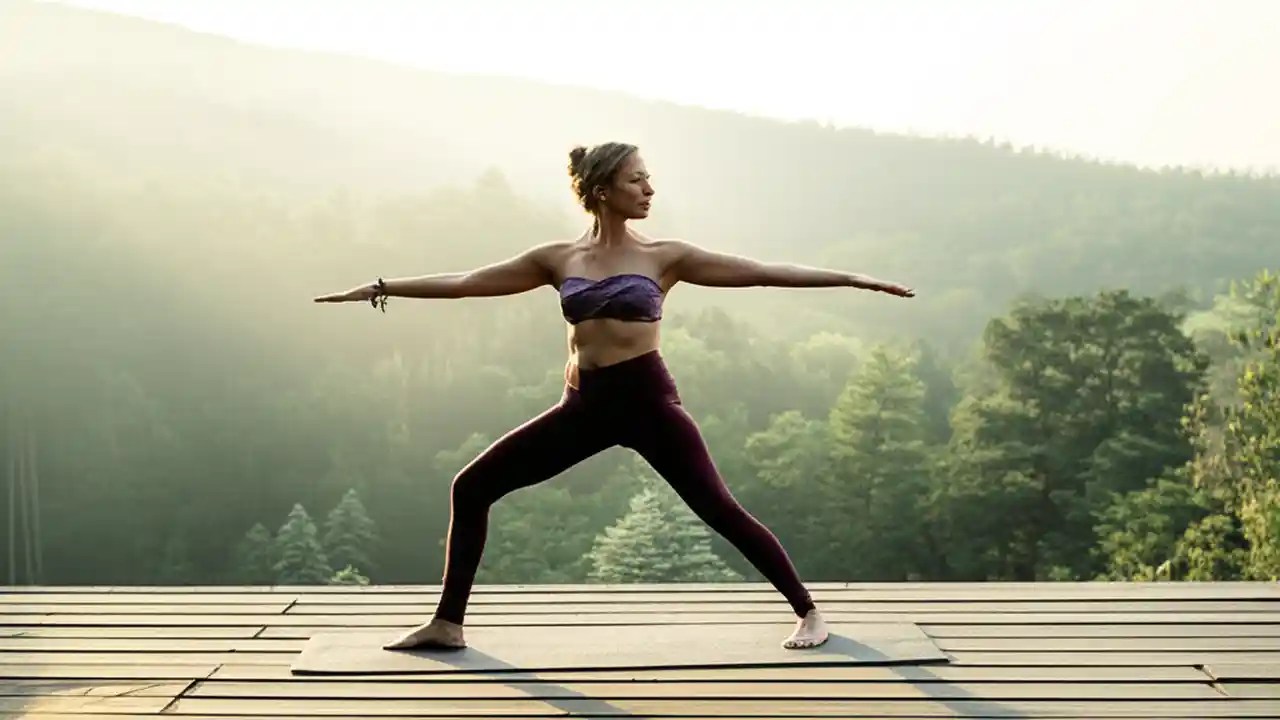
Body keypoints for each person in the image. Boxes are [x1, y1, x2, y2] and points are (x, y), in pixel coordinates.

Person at [314, 142, 915, 651]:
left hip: (649, 404)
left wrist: (853, 278)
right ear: (603, 189)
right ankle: (447, 625)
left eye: (650, 179)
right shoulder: (557, 258)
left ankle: (809, 611)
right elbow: (469, 283)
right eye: (637, 180)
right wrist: (382, 286)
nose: (649, 189)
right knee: (471, 487)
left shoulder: (665, 256)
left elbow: (760, 270)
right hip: (584, 407)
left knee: (719, 510)